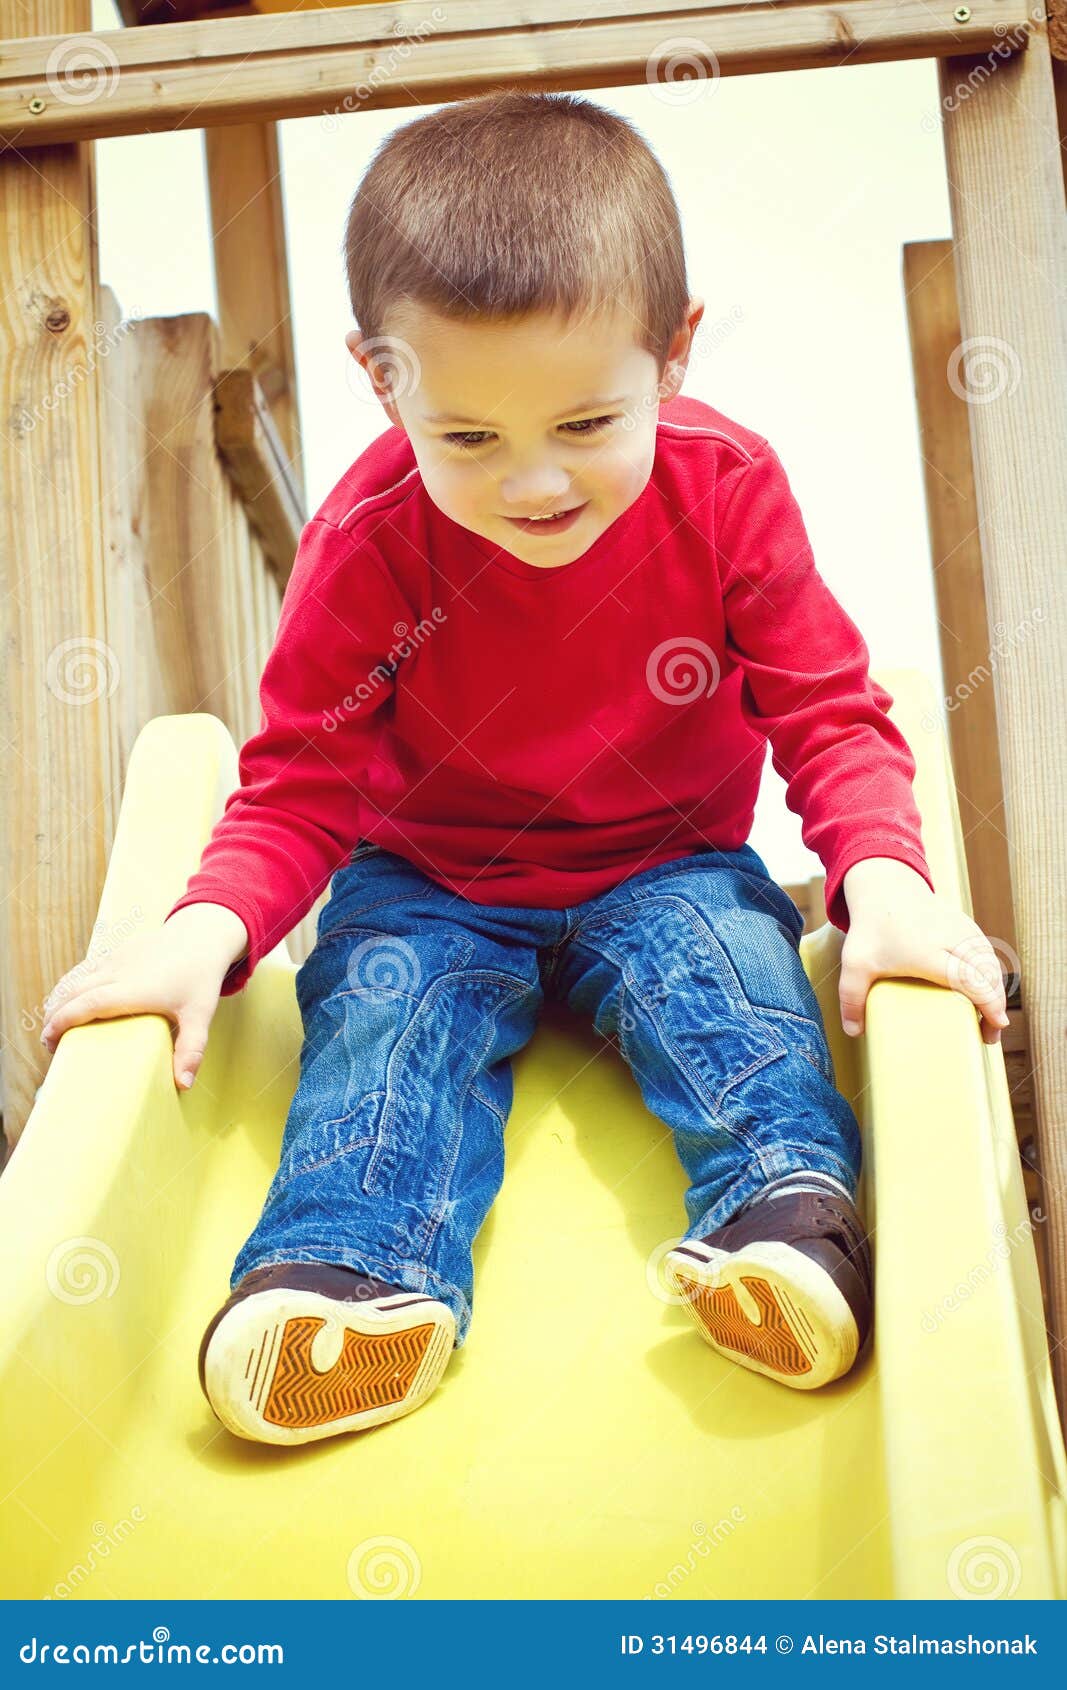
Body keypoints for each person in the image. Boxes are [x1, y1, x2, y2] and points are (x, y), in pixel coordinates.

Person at [38, 91, 1008, 1447]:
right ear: (383, 380)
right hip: (430, 881)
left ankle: (786, 1225)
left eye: (586, 422)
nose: (534, 482)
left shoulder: (725, 490)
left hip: (663, 862)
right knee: (382, 1023)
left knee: (736, 983)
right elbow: (302, 783)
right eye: (470, 438)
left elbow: (828, 713)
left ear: (674, 356)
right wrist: (206, 928)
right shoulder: (371, 539)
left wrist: (885, 882)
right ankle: (351, 1278)